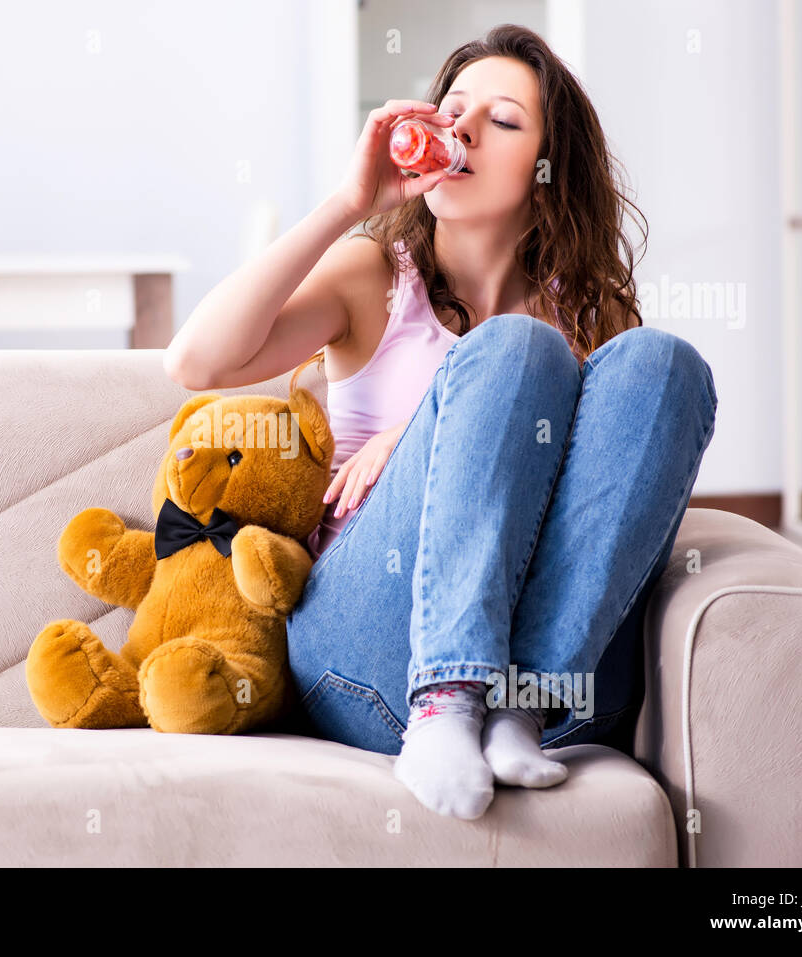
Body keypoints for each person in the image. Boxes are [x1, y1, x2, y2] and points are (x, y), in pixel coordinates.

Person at [163, 24, 717, 820]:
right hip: (370, 653)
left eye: (504, 120)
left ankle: (520, 705)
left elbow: (608, 507)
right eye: (453, 111)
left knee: (664, 362)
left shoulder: (595, 319)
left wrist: (426, 424)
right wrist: (351, 204)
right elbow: (198, 362)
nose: (462, 130)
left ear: (548, 172)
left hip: (549, 690)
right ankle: (445, 703)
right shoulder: (374, 278)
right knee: (514, 349)